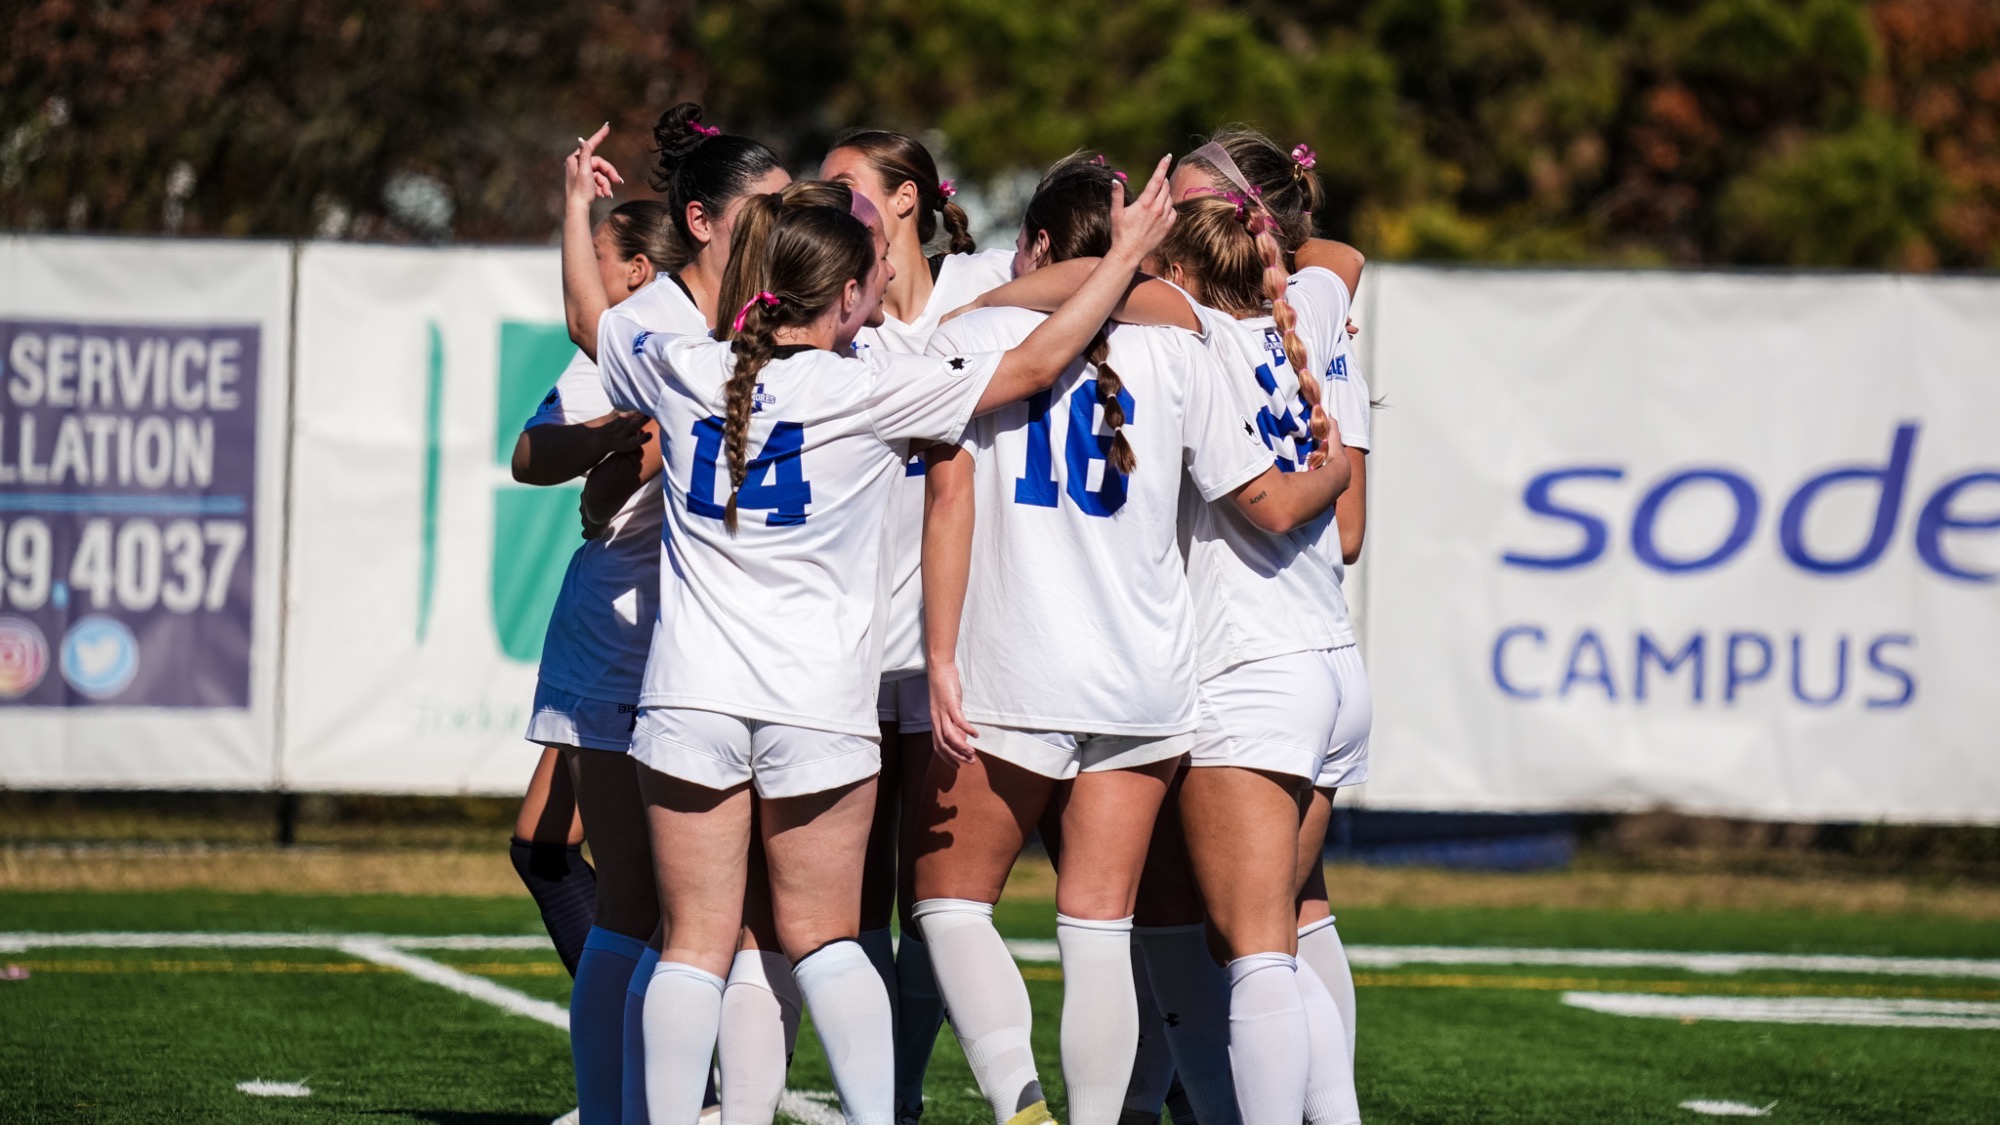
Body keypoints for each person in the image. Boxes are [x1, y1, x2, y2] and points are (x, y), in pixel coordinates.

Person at [593, 163, 1179, 1125]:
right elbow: (1035, 365)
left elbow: (604, 324)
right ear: (853, 292)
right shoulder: (874, 386)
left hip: (688, 695)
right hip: (819, 704)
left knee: (696, 944)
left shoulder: (679, 362)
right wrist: (1122, 260)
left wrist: (583, 215)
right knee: (827, 939)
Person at [914, 156, 1352, 1125]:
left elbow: (937, 459)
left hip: (1016, 667)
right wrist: (1336, 470)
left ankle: (1016, 1101)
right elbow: (1272, 489)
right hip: (1151, 680)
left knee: (947, 904)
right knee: (1102, 926)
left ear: (1033, 246)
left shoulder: (976, 335)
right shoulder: (1193, 346)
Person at [557, 106, 788, 1125]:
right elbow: (556, 444)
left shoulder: (776, 318)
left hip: (724, 650)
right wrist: (619, 457)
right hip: (628, 634)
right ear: (700, 220)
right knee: (635, 907)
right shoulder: (650, 324)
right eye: (764, 209)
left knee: (739, 920)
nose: (781, 226)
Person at [818, 127, 1018, 1125]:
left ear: (907, 198)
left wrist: (1004, 307)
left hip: (955, 658)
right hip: (856, 653)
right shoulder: (827, 306)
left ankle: (896, 1093)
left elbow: (1102, 271)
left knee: (933, 907)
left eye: (847, 184)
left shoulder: (982, 284)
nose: (830, 199)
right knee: (844, 906)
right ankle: (874, 1101)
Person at [518, 193, 684, 1125]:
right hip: (626, 625)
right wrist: (610, 442)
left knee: (658, 899)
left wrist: (626, 457)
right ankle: (650, 1086)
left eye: (593, 248)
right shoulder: (627, 343)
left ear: (635, 271)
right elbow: (534, 452)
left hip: (653, 632)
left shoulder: (654, 333)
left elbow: (641, 463)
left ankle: (666, 1088)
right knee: (556, 852)